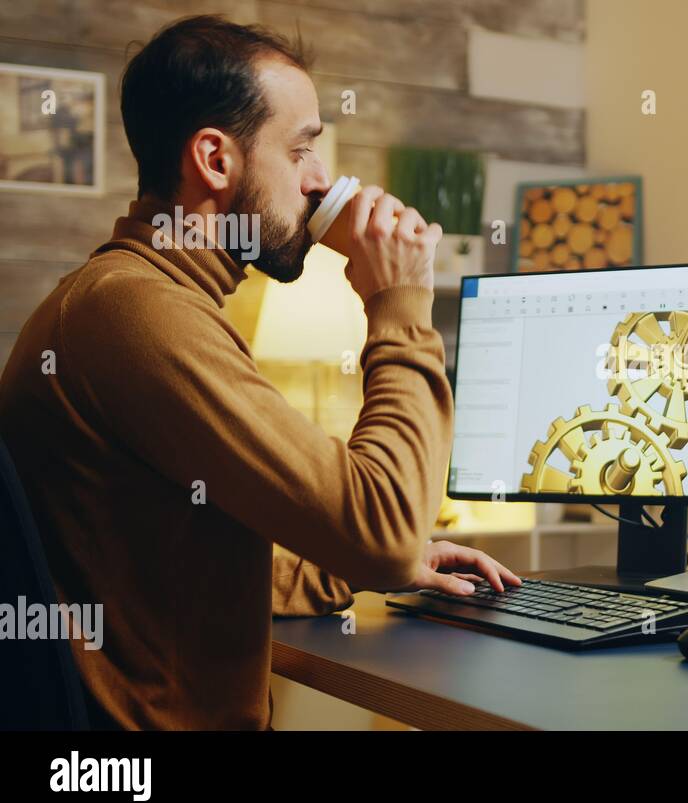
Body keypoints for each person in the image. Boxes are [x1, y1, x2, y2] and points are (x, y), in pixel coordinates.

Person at [0, 15, 520, 730]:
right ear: (215, 158)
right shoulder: (137, 315)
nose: (320, 181)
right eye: (303, 149)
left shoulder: (137, 301)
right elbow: (387, 530)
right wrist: (398, 300)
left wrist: (363, 562)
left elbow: (165, 562)